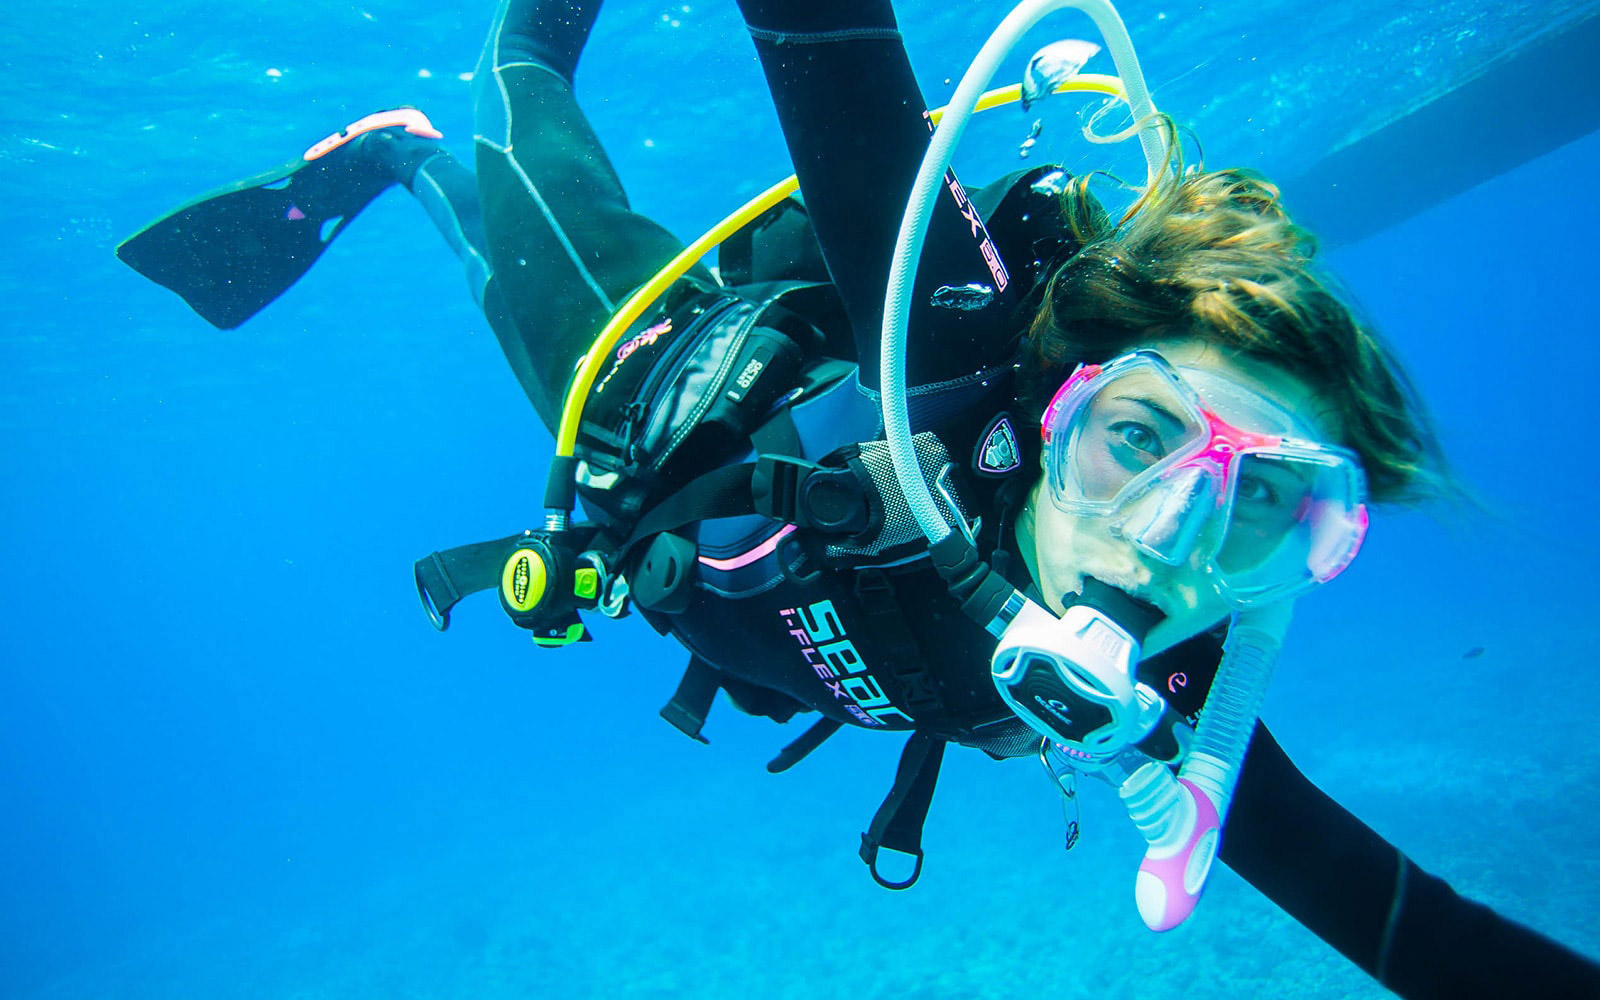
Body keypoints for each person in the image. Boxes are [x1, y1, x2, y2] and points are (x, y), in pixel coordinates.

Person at [118, 0, 1600, 995]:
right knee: (521, 115)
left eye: (1268, 506)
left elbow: (1426, 936)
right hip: (641, 368)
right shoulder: (955, 330)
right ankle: (406, 143)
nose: (1171, 545)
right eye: (1141, 438)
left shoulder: (1189, 696)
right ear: (1056, 398)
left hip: (702, 575)